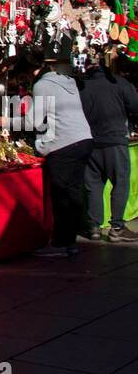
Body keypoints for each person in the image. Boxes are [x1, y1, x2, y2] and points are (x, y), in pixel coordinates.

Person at [24, 49, 94, 258]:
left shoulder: (42, 85)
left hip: (64, 144)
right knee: (74, 192)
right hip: (84, 139)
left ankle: (60, 243)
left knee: (61, 194)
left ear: (32, 72)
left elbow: (33, 122)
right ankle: (70, 241)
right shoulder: (67, 82)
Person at [78, 57, 138, 242]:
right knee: (120, 183)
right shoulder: (120, 83)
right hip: (115, 140)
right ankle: (117, 228)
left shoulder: (81, 87)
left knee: (93, 185)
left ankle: (94, 227)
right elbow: (135, 107)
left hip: (90, 141)